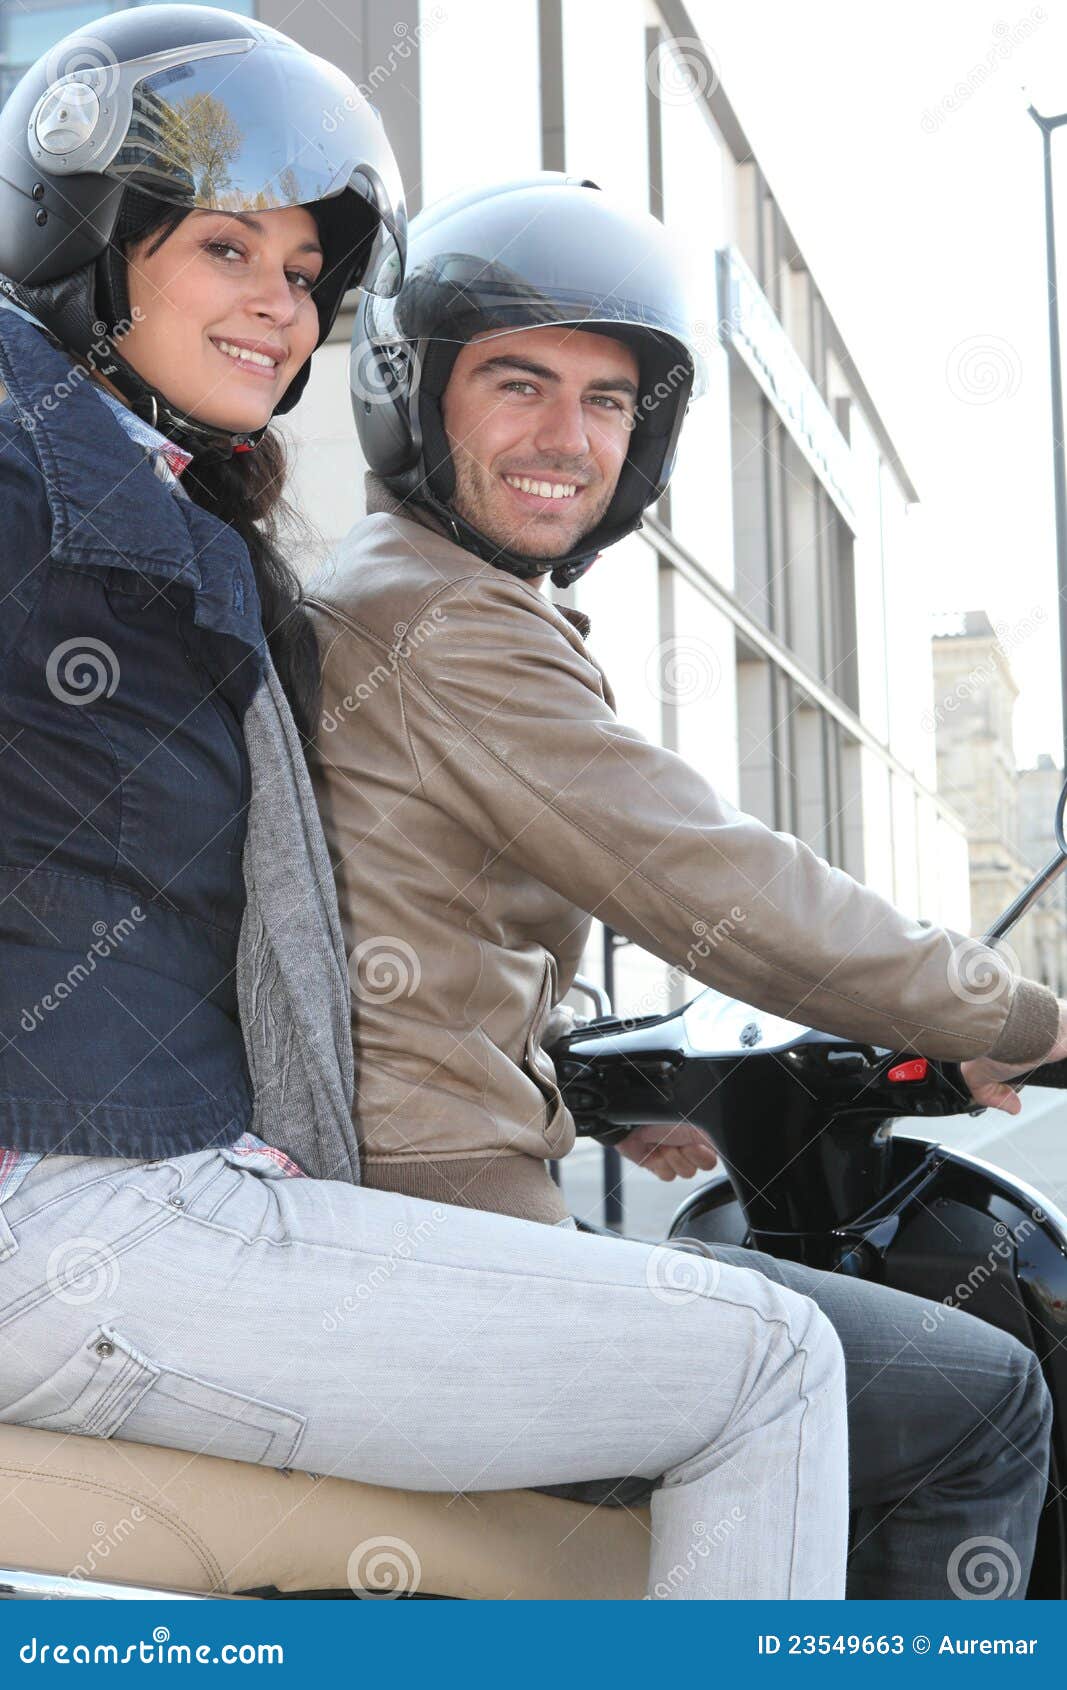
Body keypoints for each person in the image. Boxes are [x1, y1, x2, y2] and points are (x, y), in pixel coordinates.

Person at [0, 8, 853, 1603]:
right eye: (227, 248)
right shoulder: (30, 471)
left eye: (305, 273)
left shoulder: (149, 493)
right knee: (773, 1362)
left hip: (147, 1187)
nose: (278, 303)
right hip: (90, 1212)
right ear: (97, 247)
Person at [307, 173, 1061, 1598]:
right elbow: (715, 877)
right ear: (419, 398)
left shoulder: (414, 587)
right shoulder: (442, 619)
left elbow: (414, 923)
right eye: (519, 384)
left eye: (607, 402)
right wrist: (1019, 1012)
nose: (566, 437)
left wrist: (598, 1085)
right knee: (983, 1398)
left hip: (415, 1203)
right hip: (448, 1237)